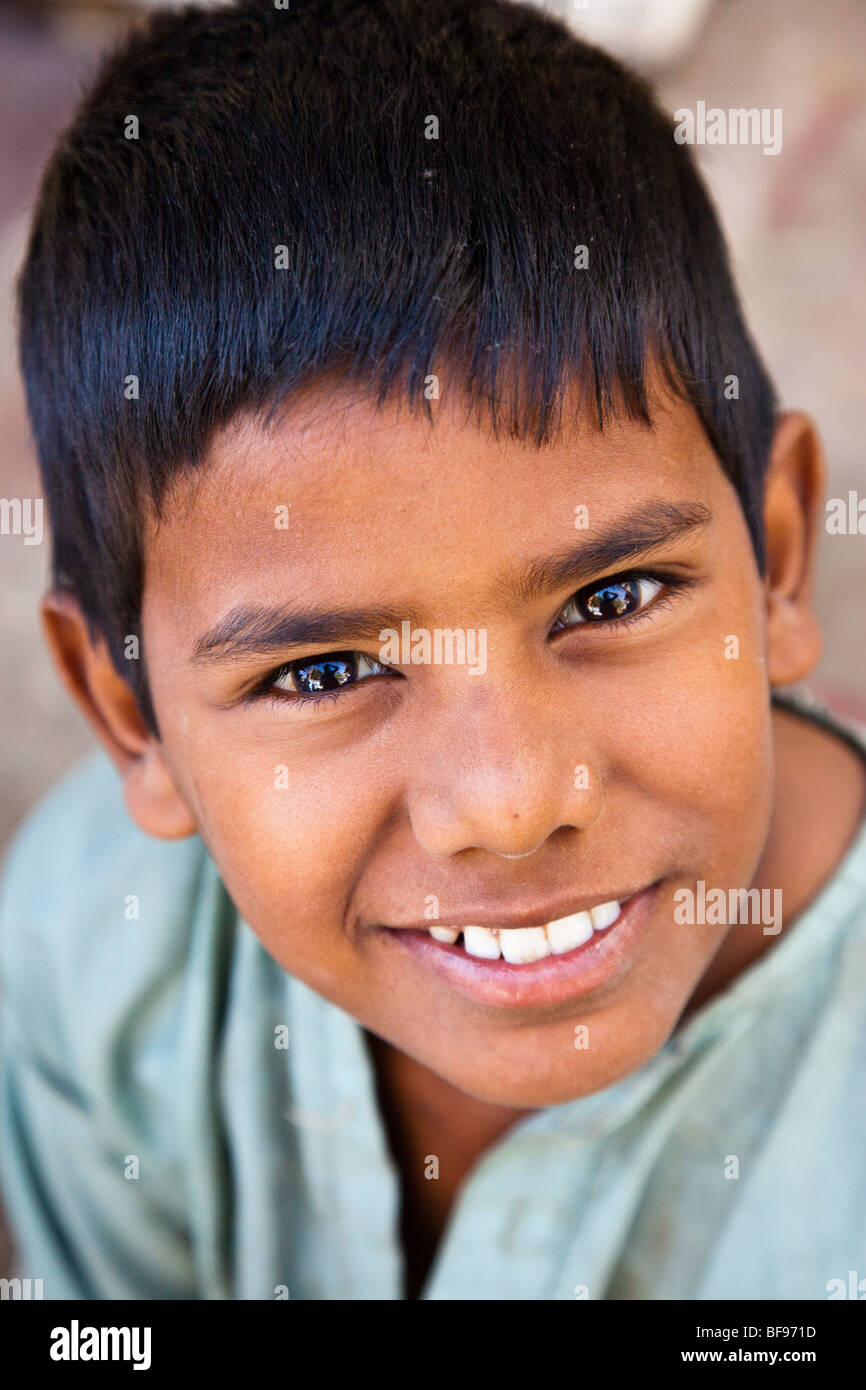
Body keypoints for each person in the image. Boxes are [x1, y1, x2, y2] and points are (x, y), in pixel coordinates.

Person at [1, 0, 864, 1301]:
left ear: (776, 556)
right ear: (129, 711)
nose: (511, 802)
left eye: (611, 594)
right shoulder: (93, 955)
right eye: (325, 671)